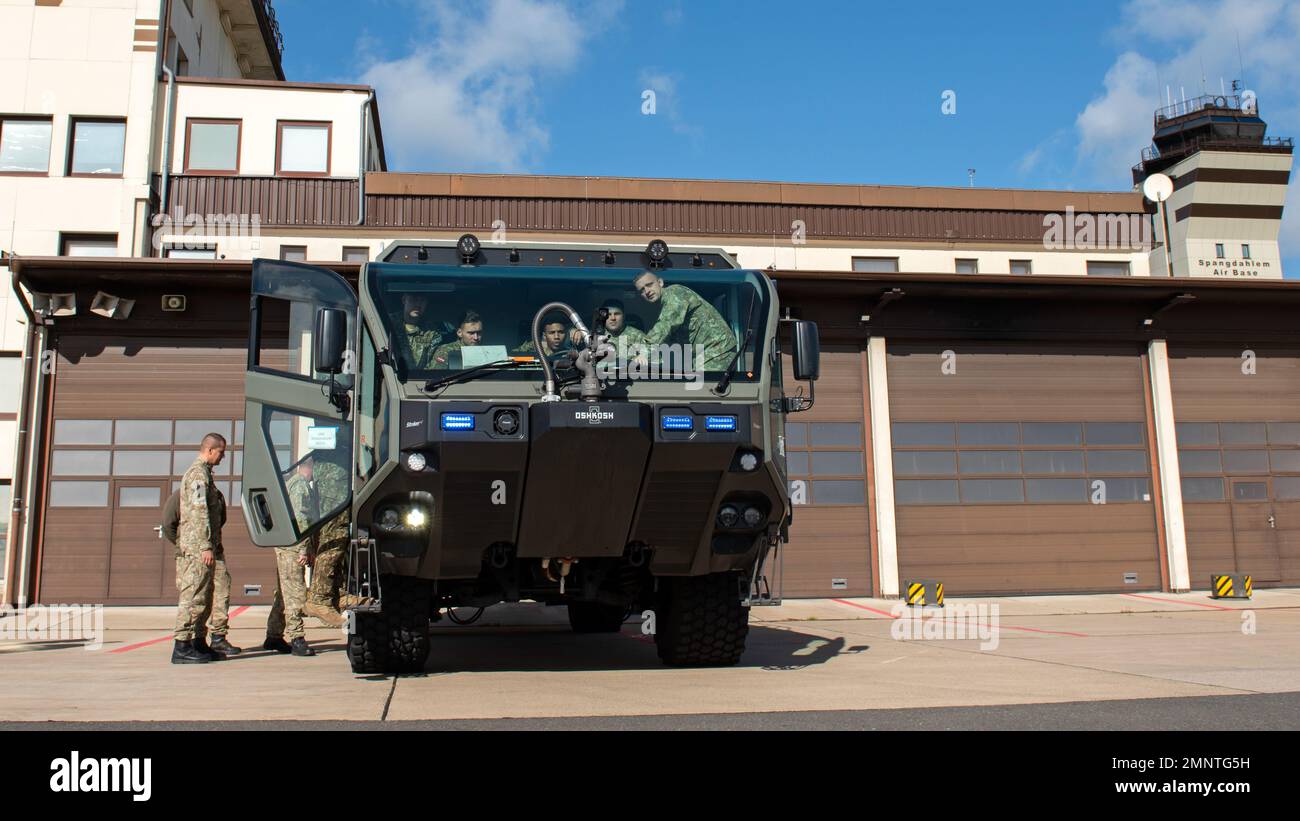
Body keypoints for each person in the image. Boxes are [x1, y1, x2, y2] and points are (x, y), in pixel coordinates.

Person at [172, 433, 228, 664]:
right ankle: (182, 646)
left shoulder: (205, 474)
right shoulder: (197, 475)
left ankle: (198, 642)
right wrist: (205, 545)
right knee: (193, 596)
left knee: (205, 596)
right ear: (210, 450)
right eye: (221, 452)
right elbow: (199, 511)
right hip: (197, 548)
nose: (223, 458)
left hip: (206, 546)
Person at [265, 457, 317, 657]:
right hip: (292, 547)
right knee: (295, 593)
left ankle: (274, 636)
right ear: (308, 468)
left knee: (283, 593)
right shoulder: (299, 485)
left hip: (288, 545)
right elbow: (300, 517)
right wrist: (304, 548)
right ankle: (297, 638)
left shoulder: (295, 484)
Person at [632, 271, 737, 371]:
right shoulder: (664, 305)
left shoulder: (675, 292)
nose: (647, 291)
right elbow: (667, 339)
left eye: (649, 285)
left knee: (705, 388)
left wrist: (645, 352)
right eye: (641, 290)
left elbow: (666, 324)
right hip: (703, 354)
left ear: (660, 282)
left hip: (717, 350)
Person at [304, 456, 350, 628]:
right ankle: (319, 599)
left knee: (338, 539)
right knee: (334, 538)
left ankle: (336, 592)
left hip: (339, 472)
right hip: (336, 477)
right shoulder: (331, 466)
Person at [197, 487, 241, 656]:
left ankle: (218, 638)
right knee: (199, 595)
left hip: (216, 550)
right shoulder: (192, 488)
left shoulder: (217, 494)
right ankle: (195, 638)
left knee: (222, 589)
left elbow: (221, 519)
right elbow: (169, 522)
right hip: (198, 553)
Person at [393, 294, 440, 370]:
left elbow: (433, 366)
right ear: (404, 300)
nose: (418, 304)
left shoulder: (432, 332)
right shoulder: (387, 323)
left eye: (422, 300)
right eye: (414, 299)